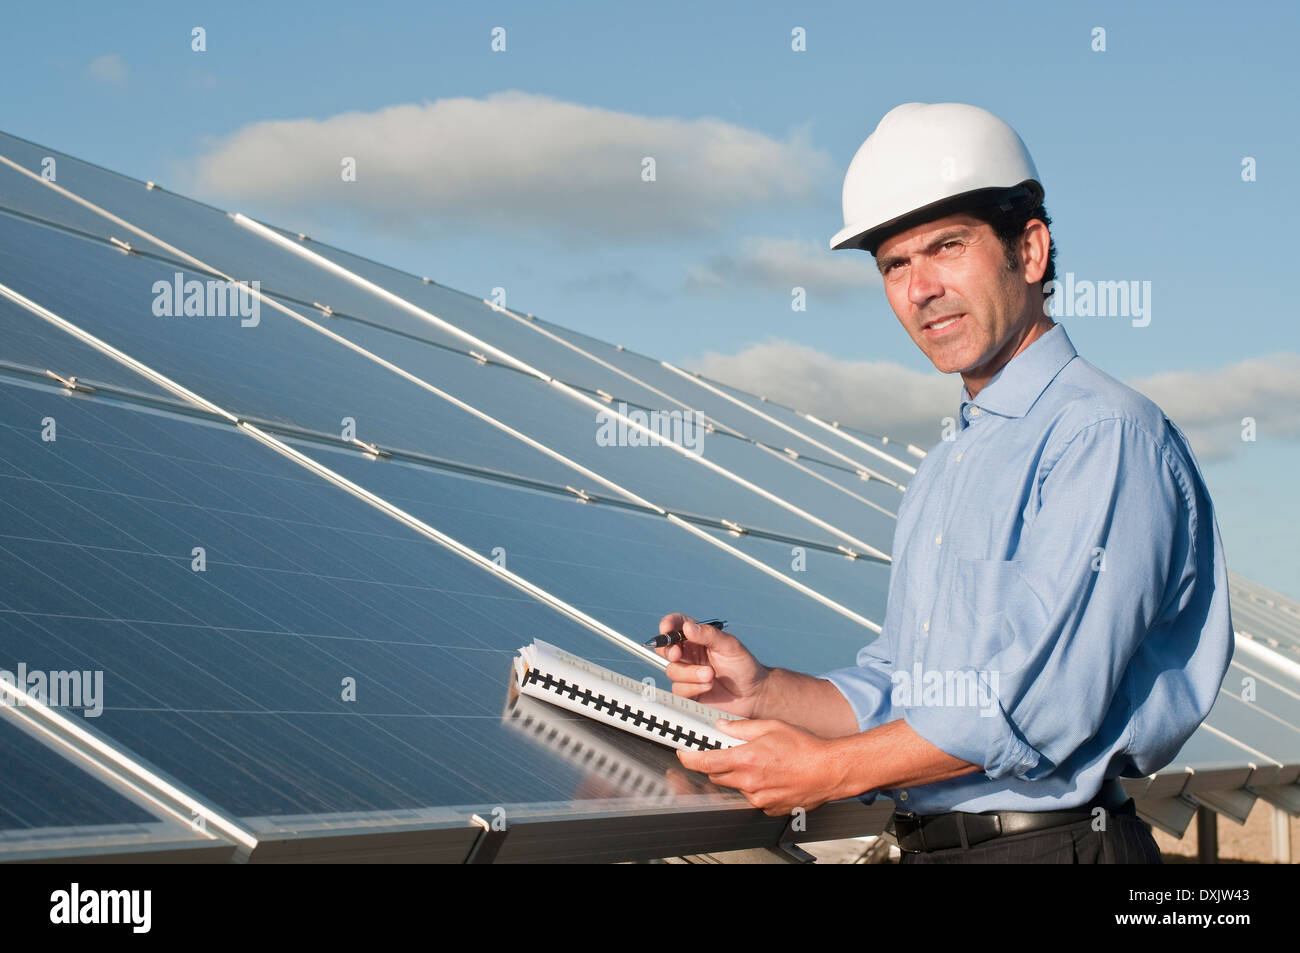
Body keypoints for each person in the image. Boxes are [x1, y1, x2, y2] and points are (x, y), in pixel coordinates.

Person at [658, 102, 1234, 864]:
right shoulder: (946, 465)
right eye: (894, 265)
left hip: (1051, 848)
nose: (920, 287)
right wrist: (762, 690)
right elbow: (902, 690)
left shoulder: (1103, 435)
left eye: (947, 248)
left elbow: (1035, 703)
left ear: (1029, 251)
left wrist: (825, 771)